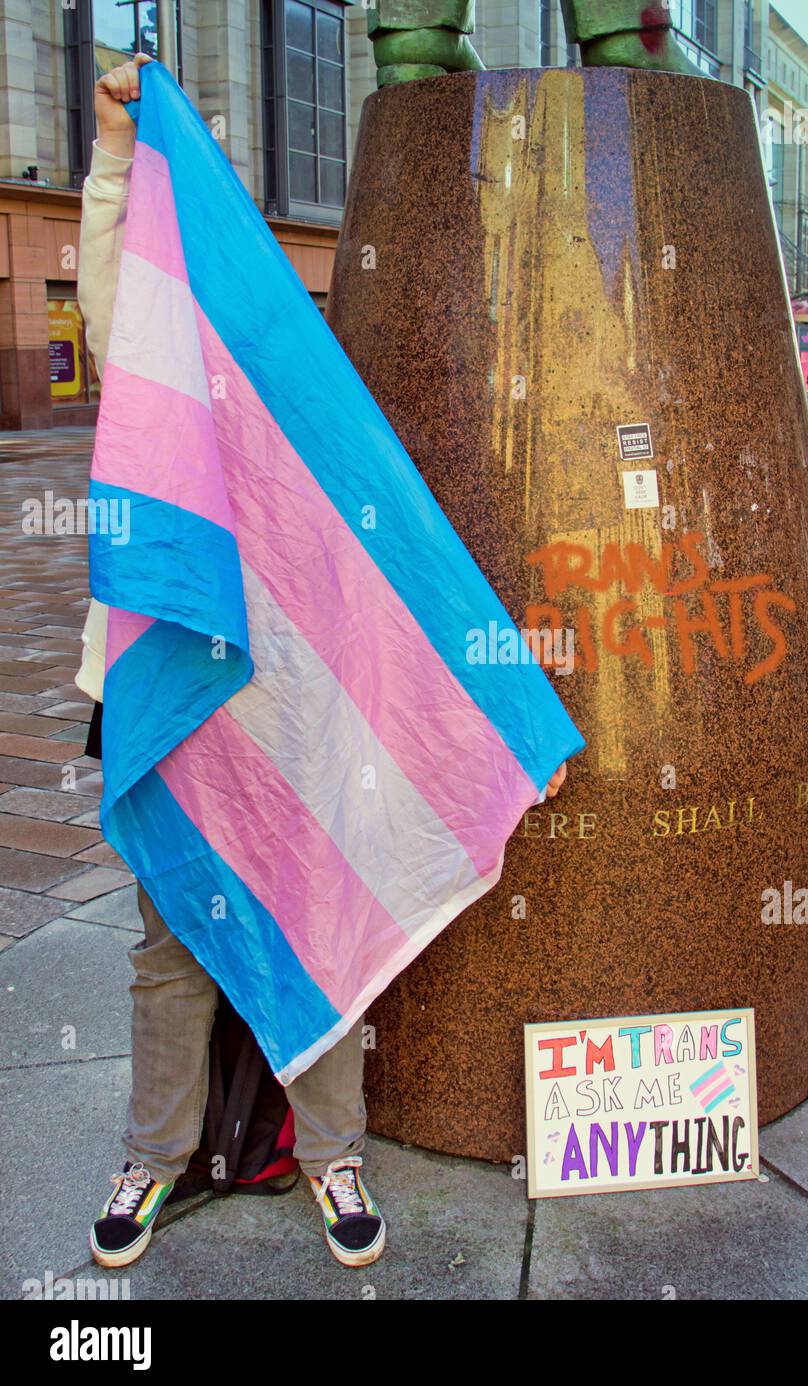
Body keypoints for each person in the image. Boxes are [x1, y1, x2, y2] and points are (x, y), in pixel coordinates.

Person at [79, 56, 570, 1271]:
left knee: (330, 904)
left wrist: (506, 712)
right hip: (177, 688)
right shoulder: (166, 336)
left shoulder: (304, 374)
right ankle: (154, 1155)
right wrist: (110, 164)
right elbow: (112, 301)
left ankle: (330, 1153)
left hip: (303, 708)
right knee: (170, 946)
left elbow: (404, 554)